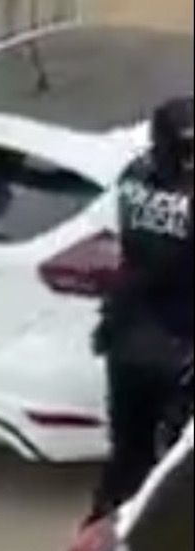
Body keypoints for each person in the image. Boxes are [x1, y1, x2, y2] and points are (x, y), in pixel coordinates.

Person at [89, 94, 193, 521]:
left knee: (127, 456)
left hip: (128, 336)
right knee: (175, 469)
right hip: (179, 348)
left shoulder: (133, 179)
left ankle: (101, 528)